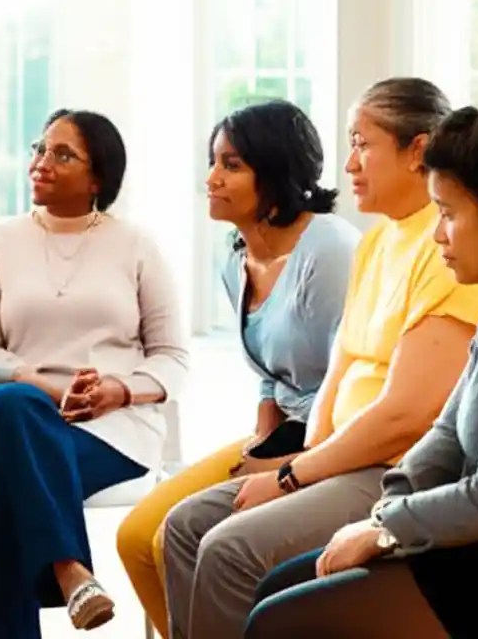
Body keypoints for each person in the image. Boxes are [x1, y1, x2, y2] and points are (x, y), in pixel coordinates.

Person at [160, 78, 478, 638]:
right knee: (184, 525)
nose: (348, 165)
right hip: (336, 459)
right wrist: (302, 462)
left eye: (362, 144)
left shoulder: (445, 250)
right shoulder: (374, 244)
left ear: (418, 152)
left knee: (226, 549)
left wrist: (293, 476)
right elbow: (337, 373)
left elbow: (406, 417)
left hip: (390, 469)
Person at [245, 103, 478, 639]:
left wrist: (386, 529)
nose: (438, 234)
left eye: (449, 214)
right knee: (276, 591)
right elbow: (444, 435)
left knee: (281, 621)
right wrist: (387, 508)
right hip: (464, 539)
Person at [115, 100, 359, 638]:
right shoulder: (235, 259)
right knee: (136, 539)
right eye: (213, 161)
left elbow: (353, 378)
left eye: (231, 165)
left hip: (338, 440)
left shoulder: (329, 249)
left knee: (185, 538)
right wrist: (264, 441)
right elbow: (272, 373)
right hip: (286, 431)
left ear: (273, 173)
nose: (212, 178)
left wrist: (287, 465)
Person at [0, 108, 190, 639]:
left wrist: (119, 390)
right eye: (39, 149)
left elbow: (172, 358)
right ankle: (70, 569)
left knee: (5, 491)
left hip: (110, 432)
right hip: (5, 412)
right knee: (19, 406)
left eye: (62, 154)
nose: (41, 162)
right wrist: (47, 386)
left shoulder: (137, 245)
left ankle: (68, 577)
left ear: (98, 177)